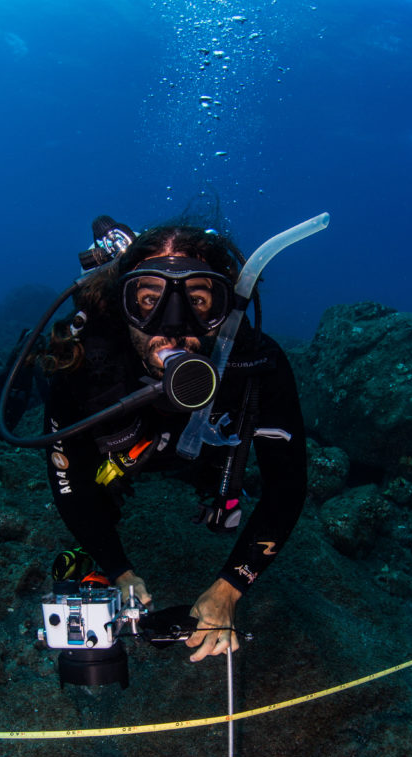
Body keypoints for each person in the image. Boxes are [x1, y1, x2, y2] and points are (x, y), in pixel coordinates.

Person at [40, 224, 307, 663]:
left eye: (198, 301)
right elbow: (70, 484)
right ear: (123, 304)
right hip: (124, 449)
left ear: (224, 307)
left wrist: (230, 589)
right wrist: (117, 570)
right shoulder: (84, 363)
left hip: (200, 449)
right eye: (149, 300)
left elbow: (287, 487)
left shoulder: (259, 365)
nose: (172, 326)